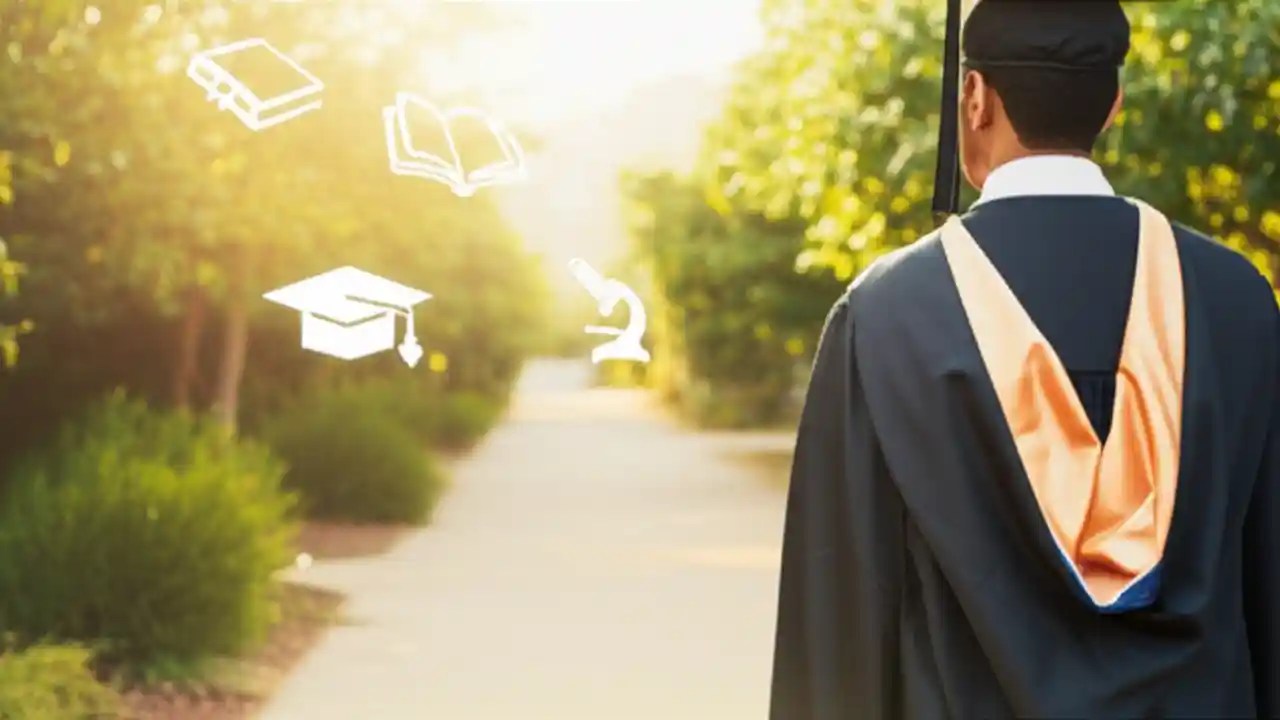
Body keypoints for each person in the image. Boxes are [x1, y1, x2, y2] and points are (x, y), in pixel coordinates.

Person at [769, 0, 1279, 717]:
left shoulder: (888, 317)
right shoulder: (1236, 304)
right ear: (1112, 105)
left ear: (973, 98)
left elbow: (839, 626)